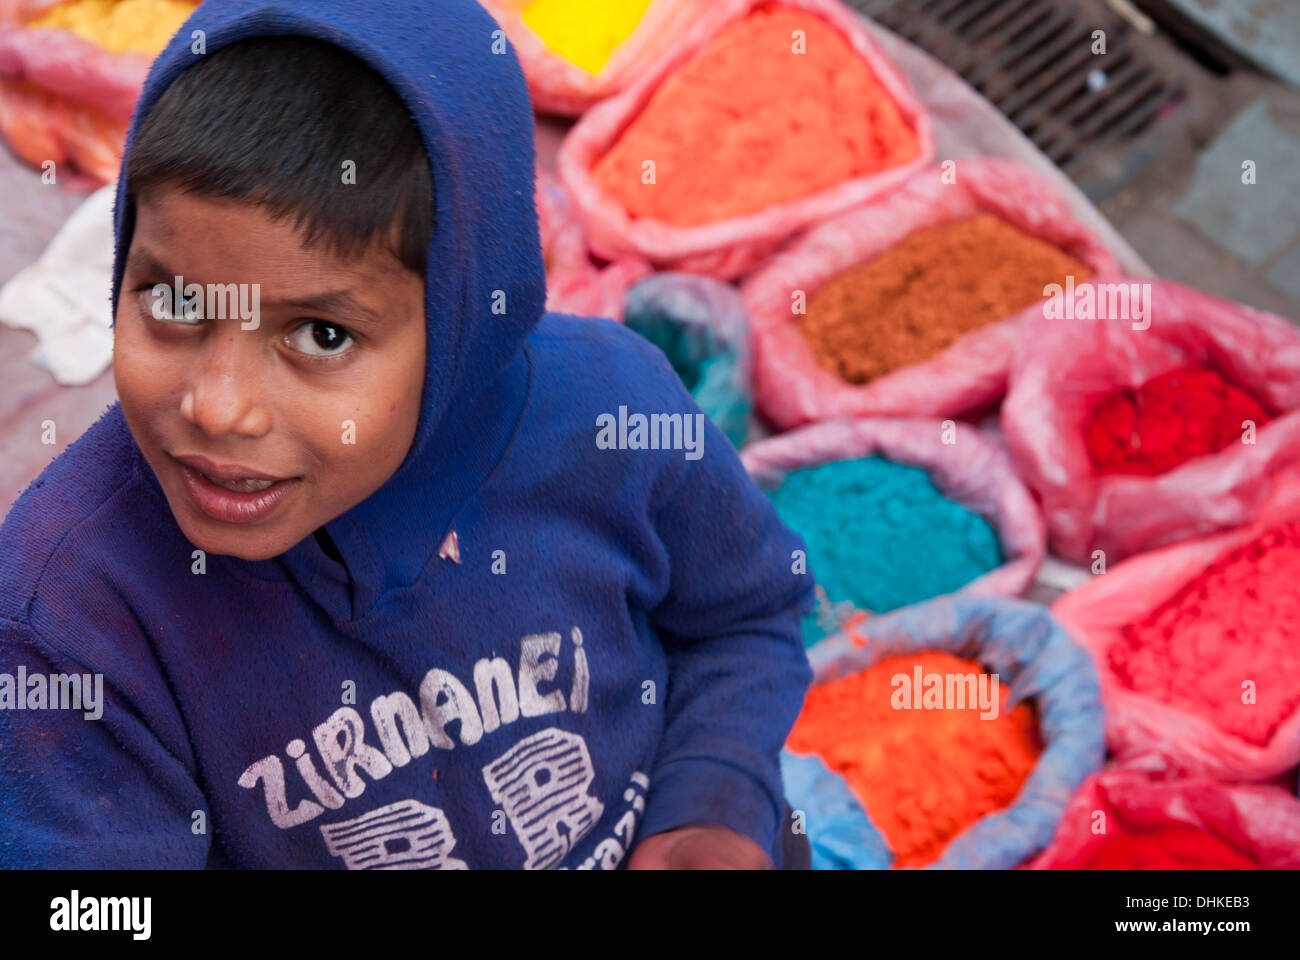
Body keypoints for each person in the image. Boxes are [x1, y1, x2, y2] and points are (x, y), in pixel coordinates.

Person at [0, 0, 815, 870]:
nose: (219, 408)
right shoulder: (71, 610)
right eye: (173, 303)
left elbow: (746, 616)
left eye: (321, 335)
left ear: (464, 317)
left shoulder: (614, 414)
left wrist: (713, 801)